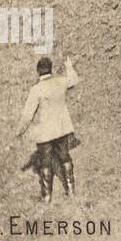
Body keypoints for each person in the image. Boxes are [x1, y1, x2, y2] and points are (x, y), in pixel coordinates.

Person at [15, 55, 80, 204]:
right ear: (50, 69)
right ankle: (71, 190)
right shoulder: (60, 82)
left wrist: (19, 131)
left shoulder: (36, 89)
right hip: (62, 130)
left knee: (45, 164)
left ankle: (46, 197)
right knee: (65, 157)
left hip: (45, 133)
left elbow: (27, 115)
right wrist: (69, 66)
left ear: (38, 72)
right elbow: (74, 80)